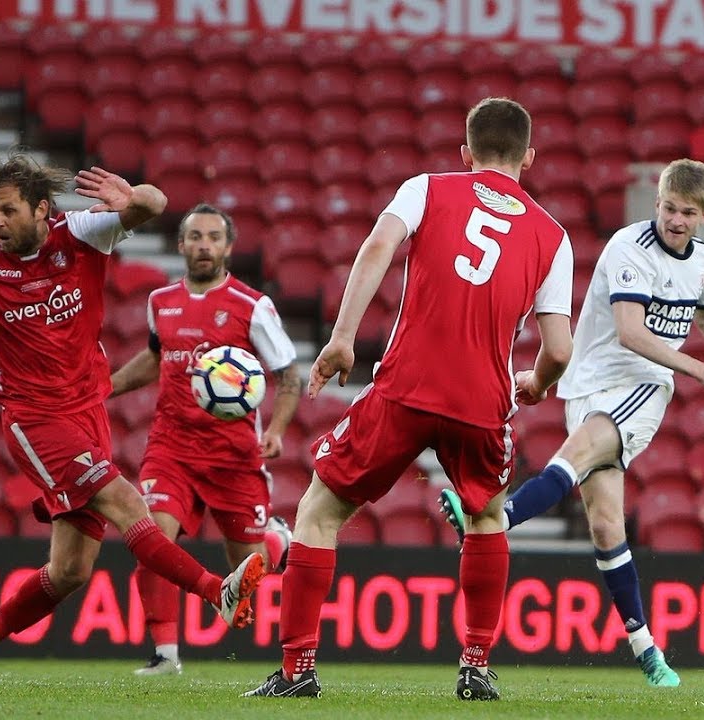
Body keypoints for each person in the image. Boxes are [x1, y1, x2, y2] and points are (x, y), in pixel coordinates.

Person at [0, 153, 267, 679]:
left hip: (87, 411)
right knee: (126, 500)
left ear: (41, 209)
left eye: (8, 211)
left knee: (72, 570)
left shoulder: (80, 235)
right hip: (33, 419)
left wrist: (133, 200)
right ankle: (218, 591)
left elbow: (156, 203)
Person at [243, 97, 574, 700]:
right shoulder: (553, 235)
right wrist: (538, 384)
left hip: (405, 387)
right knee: (487, 517)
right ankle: (475, 665)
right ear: (529, 156)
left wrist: (342, 338)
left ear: (465, 150)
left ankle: (298, 671)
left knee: (319, 513)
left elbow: (375, 250)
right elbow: (559, 347)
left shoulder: (427, 188)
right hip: (482, 401)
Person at [438, 158, 704, 687]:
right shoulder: (629, 249)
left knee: (574, 456)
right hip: (589, 382)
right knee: (604, 524)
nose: (676, 220)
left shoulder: (702, 260)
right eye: (669, 208)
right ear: (657, 203)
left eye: (688, 213)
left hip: (644, 387)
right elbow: (630, 331)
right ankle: (647, 650)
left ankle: (492, 517)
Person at [108, 203, 301, 676]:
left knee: (247, 569)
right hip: (171, 446)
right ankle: (165, 655)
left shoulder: (252, 306)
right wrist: (104, 387)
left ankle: (276, 542)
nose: (204, 246)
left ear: (228, 247)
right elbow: (156, 359)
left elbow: (289, 376)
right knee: (151, 539)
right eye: (195, 237)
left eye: (213, 237)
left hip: (234, 455)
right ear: (181, 245)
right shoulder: (160, 302)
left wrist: (275, 431)